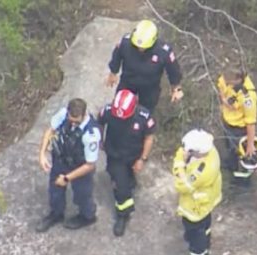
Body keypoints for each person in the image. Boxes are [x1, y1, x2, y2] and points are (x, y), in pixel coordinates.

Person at [36, 98, 100, 233]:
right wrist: (42, 154)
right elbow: (50, 131)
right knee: (55, 191)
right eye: (71, 120)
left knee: (83, 195)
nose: (73, 124)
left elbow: (90, 165)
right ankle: (56, 214)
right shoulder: (64, 114)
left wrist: (67, 178)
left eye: (77, 121)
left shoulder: (91, 134)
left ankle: (87, 216)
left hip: (80, 166)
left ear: (84, 115)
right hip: (62, 159)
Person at [98, 89, 156, 237]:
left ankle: (129, 179)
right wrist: (99, 139)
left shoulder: (144, 116)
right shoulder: (109, 111)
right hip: (115, 155)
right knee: (121, 187)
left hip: (134, 154)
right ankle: (123, 214)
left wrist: (142, 159)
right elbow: (99, 122)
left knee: (128, 177)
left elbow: (149, 138)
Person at [106, 19, 184, 113]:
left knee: (145, 111)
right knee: (119, 106)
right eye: (138, 46)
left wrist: (176, 88)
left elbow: (173, 70)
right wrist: (113, 72)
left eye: (143, 47)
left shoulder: (163, 52)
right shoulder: (126, 43)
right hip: (128, 81)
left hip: (150, 87)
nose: (140, 49)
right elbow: (117, 54)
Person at [172, 129, 222, 255]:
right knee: (205, 225)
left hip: (195, 207)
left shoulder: (201, 171)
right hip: (207, 200)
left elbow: (182, 185)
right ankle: (205, 240)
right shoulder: (212, 151)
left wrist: (179, 161)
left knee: (195, 231)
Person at [217, 66, 257, 187]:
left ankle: (242, 184)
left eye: (229, 81)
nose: (226, 82)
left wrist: (250, 145)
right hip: (227, 123)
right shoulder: (225, 77)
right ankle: (230, 166)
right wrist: (224, 101)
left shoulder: (248, 98)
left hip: (239, 130)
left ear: (238, 79)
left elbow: (250, 123)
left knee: (240, 155)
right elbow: (221, 87)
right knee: (230, 150)